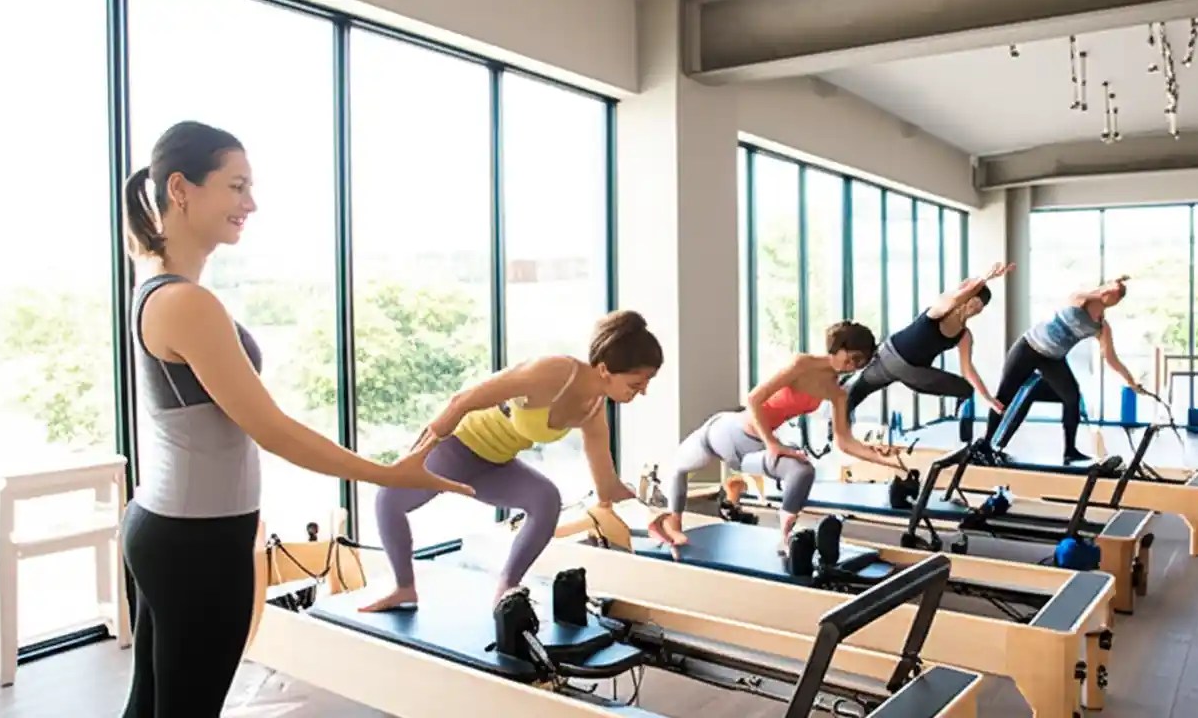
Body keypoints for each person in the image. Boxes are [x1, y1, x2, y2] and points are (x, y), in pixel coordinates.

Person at [119, 120, 474, 718]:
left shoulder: (156, 284)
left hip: (174, 529)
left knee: (156, 707)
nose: (249, 204)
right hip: (197, 543)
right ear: (180, 189)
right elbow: (273, 429)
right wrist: (390, 475)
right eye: (235, 186)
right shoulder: (186, 301)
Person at [361, 310, 664, 612]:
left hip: (495, 465)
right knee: (388, 499)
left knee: (546, 499)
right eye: (636, 383)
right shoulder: (554, 372)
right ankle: (404, 588)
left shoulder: (593, 410)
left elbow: (606, 486)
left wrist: (651, 512)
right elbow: (461, 402)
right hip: (456, 448)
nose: (643, 391)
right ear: (604, 370)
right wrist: (417, 456)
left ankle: (507, 590)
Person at [646, 320, 908, 554]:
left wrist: (886, 459)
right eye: (850, 358)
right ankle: (673, 523)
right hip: (728, 432)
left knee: (803, 471)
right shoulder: (800, 364)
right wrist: (773, 443)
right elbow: (754, 398)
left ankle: (786, 539)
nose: (851, 367)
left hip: (753, 449)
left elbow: (844, 441)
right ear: (836, 348)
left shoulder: (837, 393)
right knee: (678, 468)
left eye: (859, 363)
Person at [978, 276, 1142, 463]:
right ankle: (985, 444)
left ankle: (1070, 451)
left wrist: (1130, 381)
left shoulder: (1101, 327)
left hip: (1052, 360)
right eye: (1110, 290)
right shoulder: (1080, 299)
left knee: (1072, 397)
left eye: (1117, 295)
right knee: (1004, 396)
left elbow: (1111, 359)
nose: (1111, 294)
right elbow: (1089, 294)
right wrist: (1108, 286)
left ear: (1117, 302)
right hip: (1028, 348)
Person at [840, 262, 1014, 434]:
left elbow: (967, 370)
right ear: (966, 298)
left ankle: (964, 433)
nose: (974, 308)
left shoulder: (964, 336)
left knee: (965, 388)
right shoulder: (941, 308)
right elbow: (955, 298)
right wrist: (985, 278)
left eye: (979, 307)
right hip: (889, 357)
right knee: (855, 393)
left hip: (915, 373)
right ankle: (836, 430)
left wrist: (988, 398)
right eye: (973, 302)